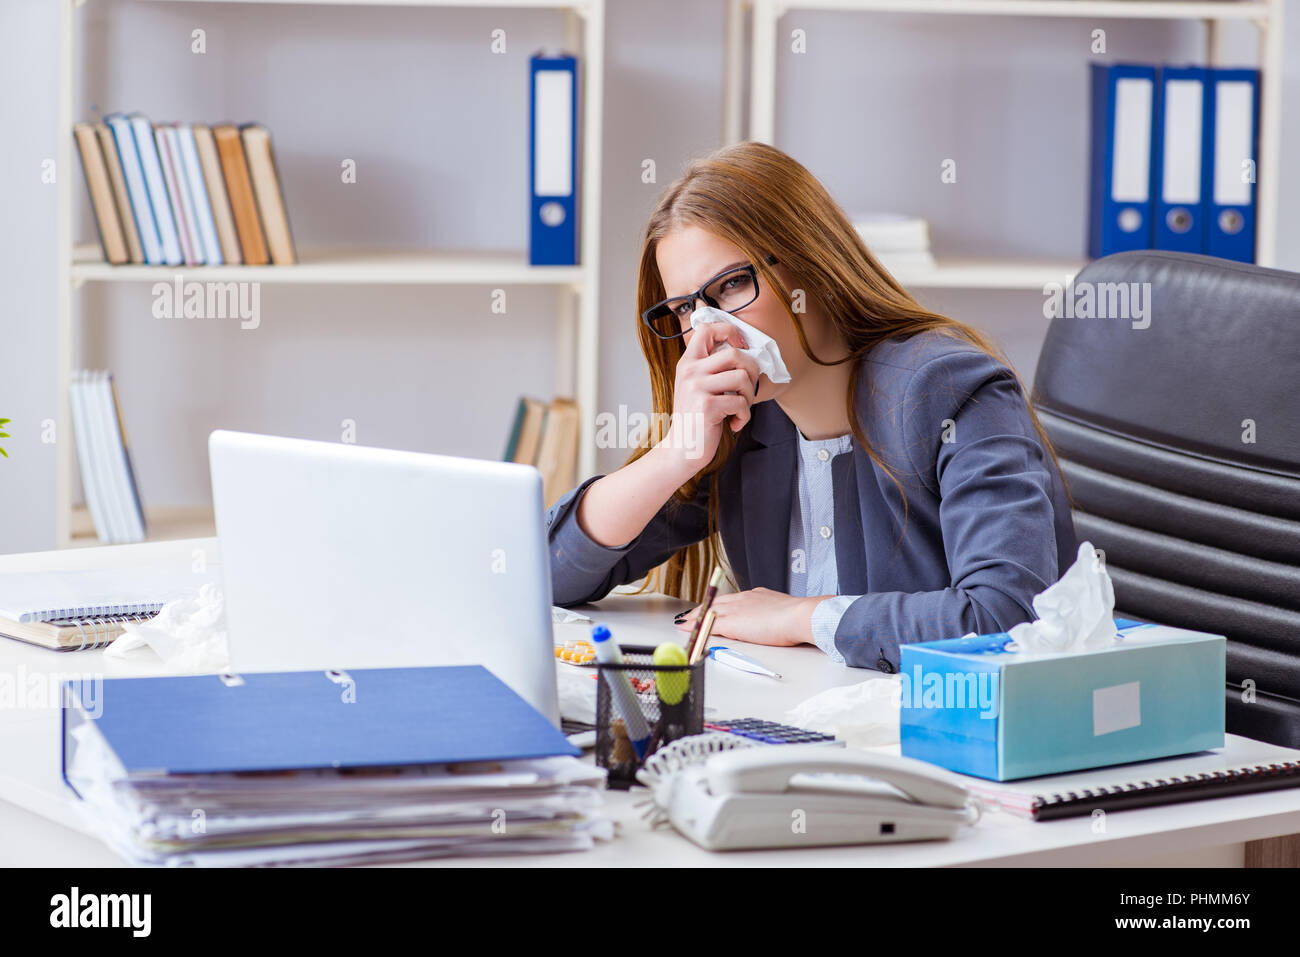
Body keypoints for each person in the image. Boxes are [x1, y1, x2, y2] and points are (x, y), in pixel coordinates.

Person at [545, 141, 1077, 672]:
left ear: (811, 263)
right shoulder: (739, 423)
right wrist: (674, 458)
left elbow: (1009, 620)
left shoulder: (948, 389)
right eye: (686, 308)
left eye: (731, 284)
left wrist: (801, 617)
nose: (710, 330)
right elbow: (545, 572)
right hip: (798, 722)